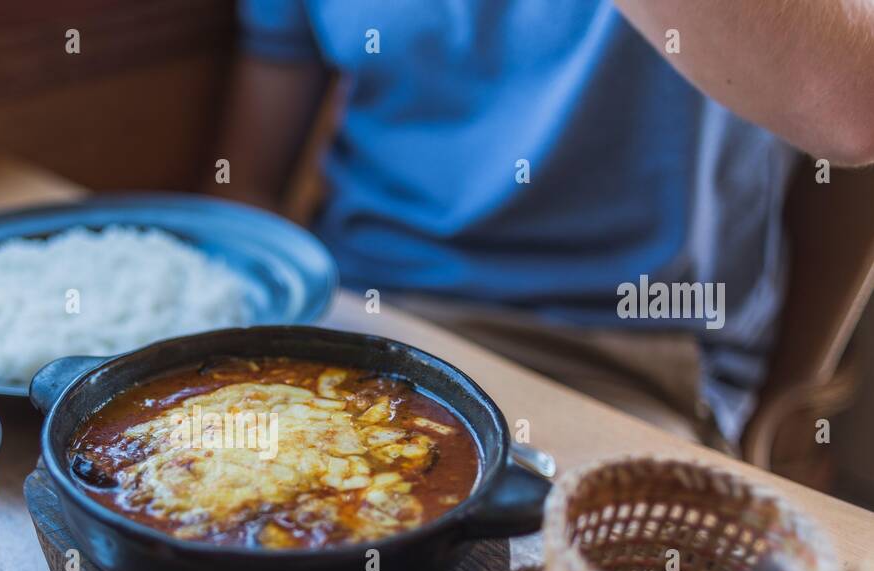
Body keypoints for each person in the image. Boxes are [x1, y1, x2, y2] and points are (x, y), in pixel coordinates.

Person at [210, 0, 874, 451]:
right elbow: (248, 181)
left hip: (623, 363)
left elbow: (852, 105)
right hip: (362, 322)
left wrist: (793, 407)